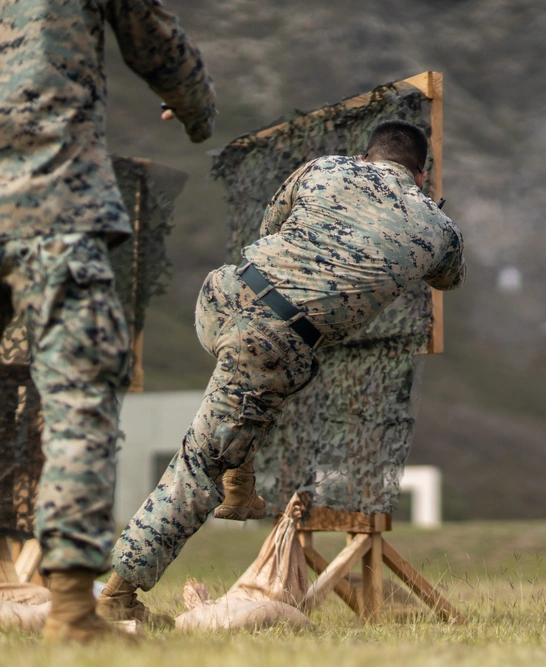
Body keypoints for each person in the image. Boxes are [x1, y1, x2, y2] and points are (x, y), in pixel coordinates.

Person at [97, 119, 466, 621]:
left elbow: (273, 226)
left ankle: (241, 480)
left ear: (367, 155)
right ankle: (117, 597)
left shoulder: (324, 168)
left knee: (249, 398)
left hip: (223, 296)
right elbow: (450, 280)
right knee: (200, 461)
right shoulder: (436, 227)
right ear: (420, 176)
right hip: (271, 343)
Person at [0, 0, 216, 641]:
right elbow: (153, 41)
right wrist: (198, 108)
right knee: (77, 397)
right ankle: (69, 610)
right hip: (52, 203)